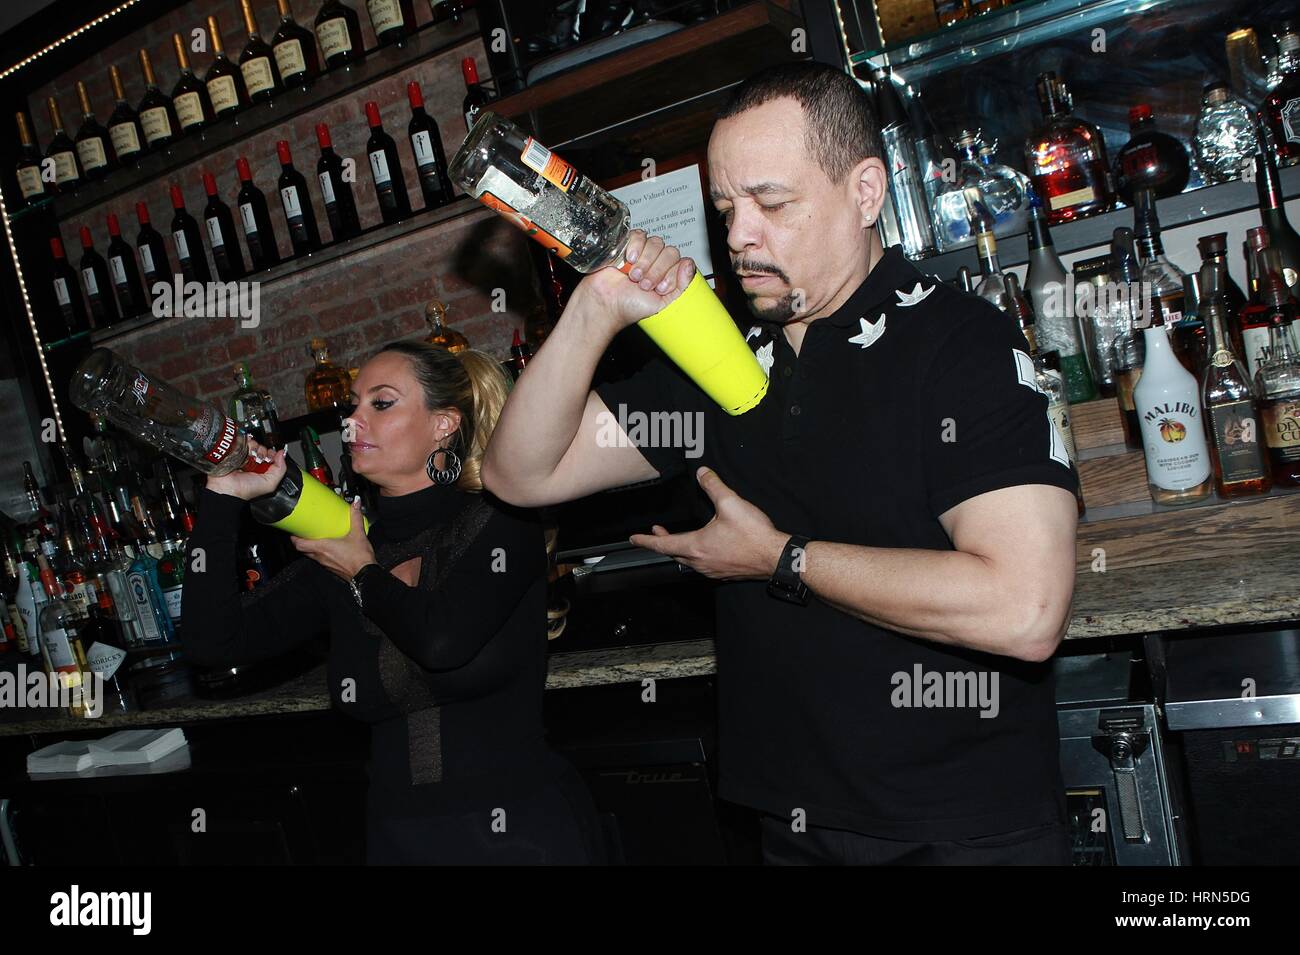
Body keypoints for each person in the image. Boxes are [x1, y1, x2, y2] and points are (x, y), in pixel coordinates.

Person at [481, 61, 1079, 865]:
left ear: (866, 193)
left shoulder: (960, 343)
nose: (737, 237)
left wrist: (779, 559)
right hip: (791, 821)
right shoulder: (720, 355)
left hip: (957, 826)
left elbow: (1024, 610)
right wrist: (595, 306)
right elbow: (520, 473)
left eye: (772, 202)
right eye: (725, 208)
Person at [182, 342, 604, 865]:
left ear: (444, 424)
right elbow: (212, 643)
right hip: (398, 840)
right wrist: (222, 499)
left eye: (381, 404)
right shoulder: (347, 547)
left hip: (519, 834)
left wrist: (363, 572)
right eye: (352, 407)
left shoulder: (499, 523)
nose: (354, 422)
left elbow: (441, 641)